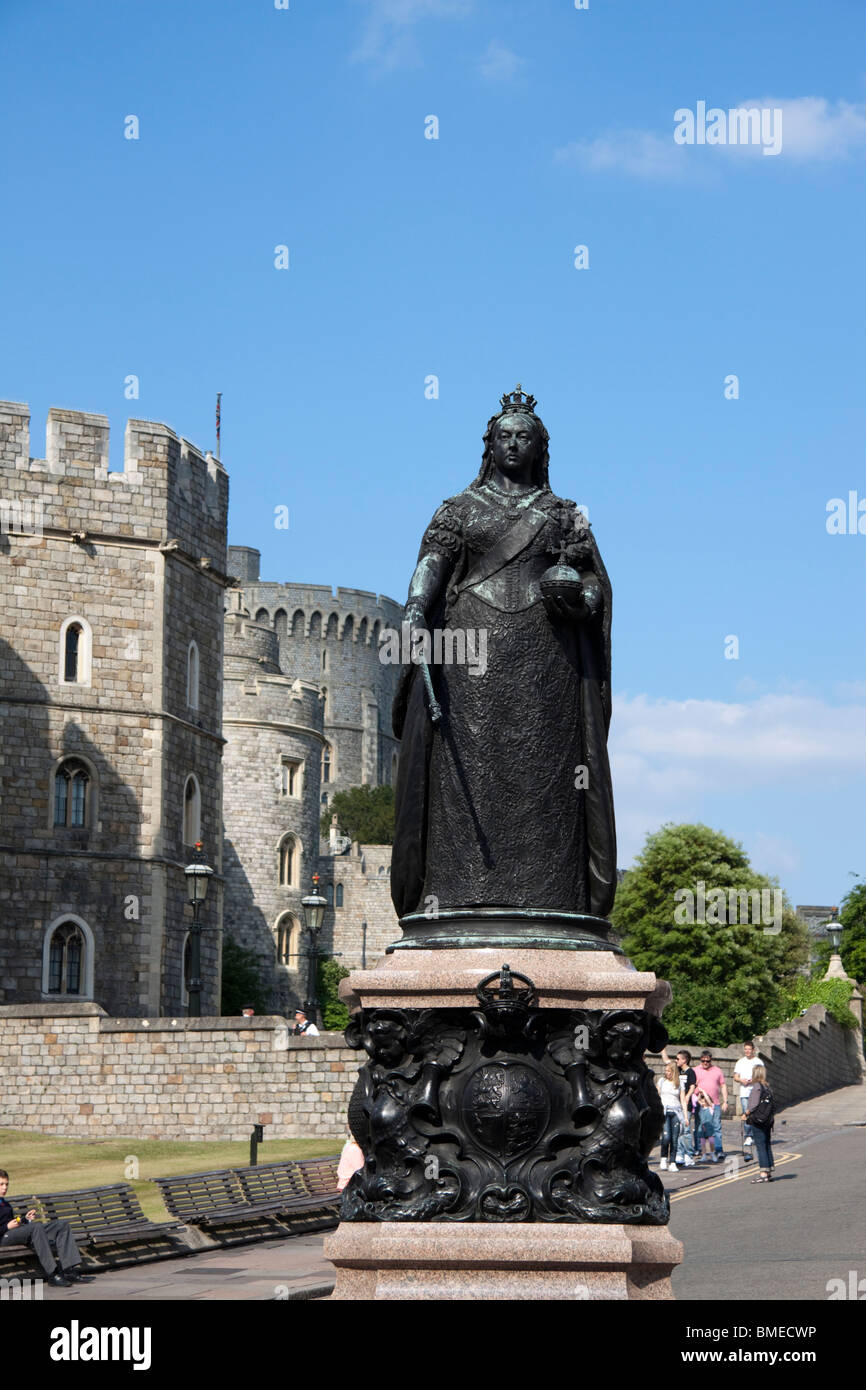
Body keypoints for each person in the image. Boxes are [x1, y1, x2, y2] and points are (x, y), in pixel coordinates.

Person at [390, 386, 616, 926]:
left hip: (546, 658)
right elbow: (432, 564)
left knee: (548, 769)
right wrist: (417, 608)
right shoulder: (458, 510)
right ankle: (457, 896)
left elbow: (594, 590)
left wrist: (578, 597)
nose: (514, 444)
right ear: (489, 446)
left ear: (540, 449)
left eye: (525, 438)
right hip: (470, 651)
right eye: (504, 437)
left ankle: (551, 898)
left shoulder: (564, 515)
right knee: (464, 763)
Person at [0, 1169, 94, 1286]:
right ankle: (52, 1274)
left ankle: (69, 1270)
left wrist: (25, 1219)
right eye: (1, 1184)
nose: (5, 1188)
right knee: (36, 1227)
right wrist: (7, 1226)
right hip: (3, 1237)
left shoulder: (4, 1203)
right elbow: (6, 1225)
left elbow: (11, 1222)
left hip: (14, 1233)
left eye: (6, 1184)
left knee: (62, 1225)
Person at [733, 1041, 765, 1161]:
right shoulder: (740, 1062)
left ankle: (756, 1135)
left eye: (749, 1049)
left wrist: (753, 1080)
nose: (747, 1051)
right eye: (745, 1049)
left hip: (755, 1091)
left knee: (755, 1114)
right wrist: (742, 1080)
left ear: (753, 1050)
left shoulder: (758, 1062)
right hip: (744, 1092)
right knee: (747, 1114)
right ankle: (748, 1136)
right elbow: (735, 1076)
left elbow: (762, 1076)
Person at [696, 1051, 729, 1160]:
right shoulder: (695, 1070)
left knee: (716, 1127)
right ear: (700, 1060)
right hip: (700, 1105)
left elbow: (723, 1086)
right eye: (703, 1061)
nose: (705, 1063)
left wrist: (725, 1101)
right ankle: (700, 1150)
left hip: (715, 1104)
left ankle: (718, 1150)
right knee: (700, 1128)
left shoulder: (717, 1071)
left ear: (711, 1060)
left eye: (707, 1061)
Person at [745, 1065, 775, 1182]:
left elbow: (752, 1105)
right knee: (767, 1144)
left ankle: (763, 1173)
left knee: (760, 1145)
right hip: (768, 1120)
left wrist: (745, 1114)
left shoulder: (757, 1087)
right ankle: (769, 1171)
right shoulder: (768, 1087)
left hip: (758, 1120)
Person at [656, 1063, 683, 1171]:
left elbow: (683, 1100)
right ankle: (663, 1158)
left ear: (674, 1072)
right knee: (666, 1137)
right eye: (666, 1071)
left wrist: (685, 1116)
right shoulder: (662, 1081)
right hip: (665, 1111)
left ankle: (672, 1162)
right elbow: (656, 1095)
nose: (666, 1073)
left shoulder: (679, 1083)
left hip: (676, 1111)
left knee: (674, 1139)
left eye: (669, 1071)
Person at [675, 1050, 697, 1167]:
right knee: (678, 1131)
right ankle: (680, 1154)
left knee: (686, 1130)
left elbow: (693, 1086)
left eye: (678, 1059)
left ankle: (689, 1154)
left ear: (684, 1060)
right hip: (677, 1105)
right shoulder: (677, 1071)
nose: (676, 1060)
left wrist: (687, 1096)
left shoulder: (690, 1072)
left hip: (686, 1105)